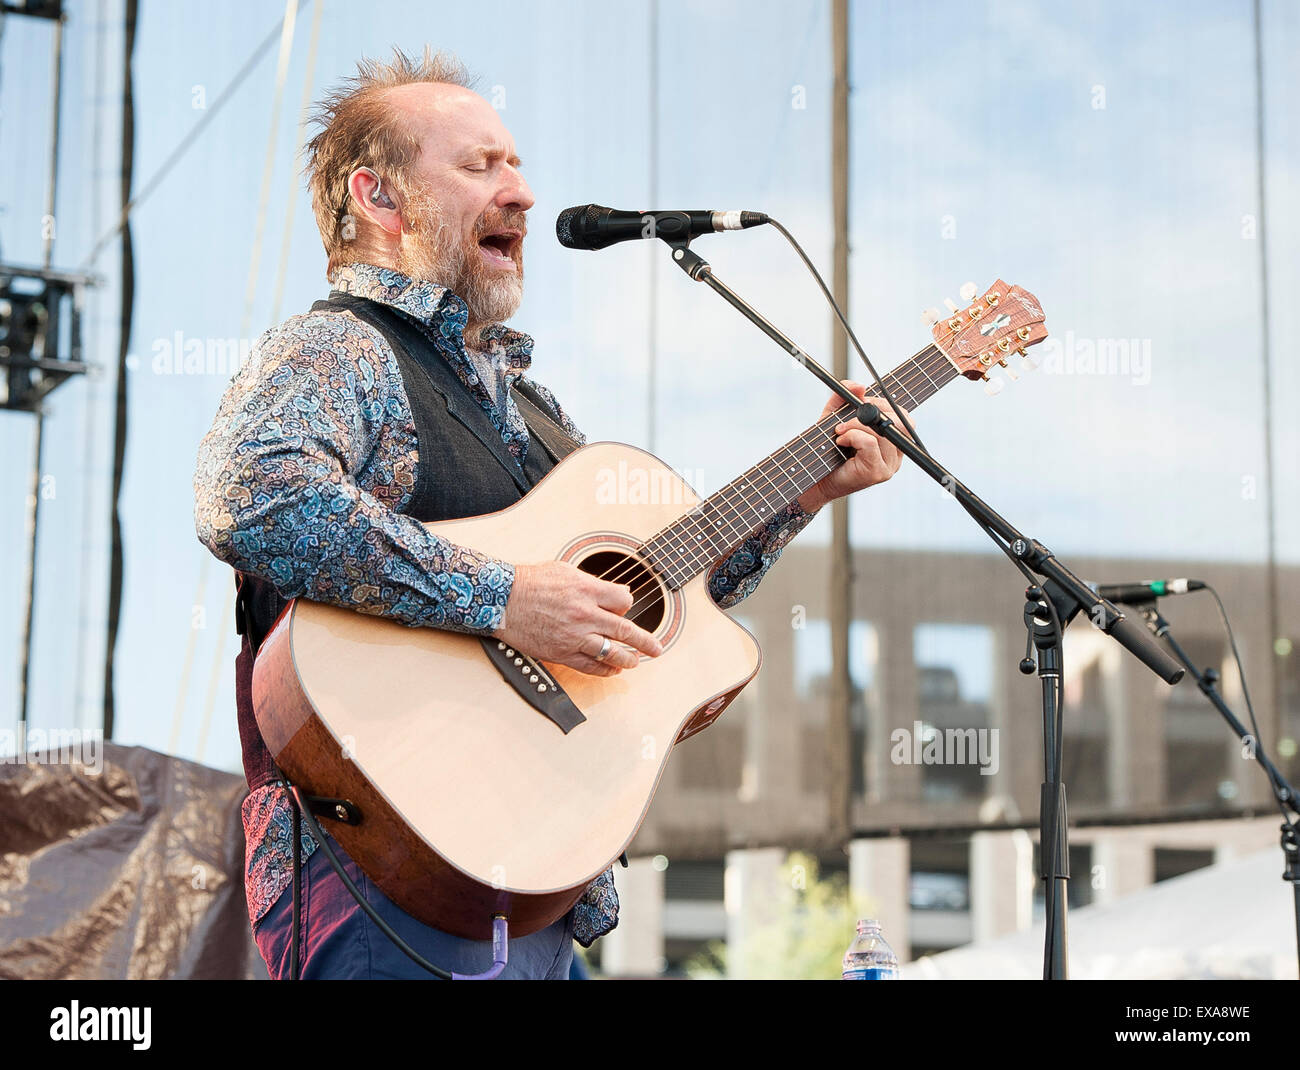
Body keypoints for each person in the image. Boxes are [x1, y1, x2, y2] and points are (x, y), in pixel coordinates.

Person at [193, 47, 904, 980]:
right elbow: (251, 494)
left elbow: (659, 599)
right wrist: (502, 598)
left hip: (539, 887)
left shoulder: (540, 412)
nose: (521, 192)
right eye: (480, 166)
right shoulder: (340, 347)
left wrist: (811, 483)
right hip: (380, 881)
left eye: (518, 165)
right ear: (377, 197)